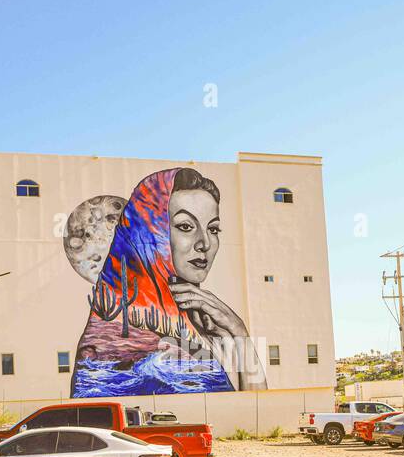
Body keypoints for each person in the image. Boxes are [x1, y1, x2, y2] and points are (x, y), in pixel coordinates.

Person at [70, 168, 267, 396]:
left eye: (213, 229)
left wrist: (239, 331)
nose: (204, 243)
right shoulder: (116, 339)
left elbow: (256, 411)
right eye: (185, 227)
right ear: (151, 235)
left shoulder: (200, 327)